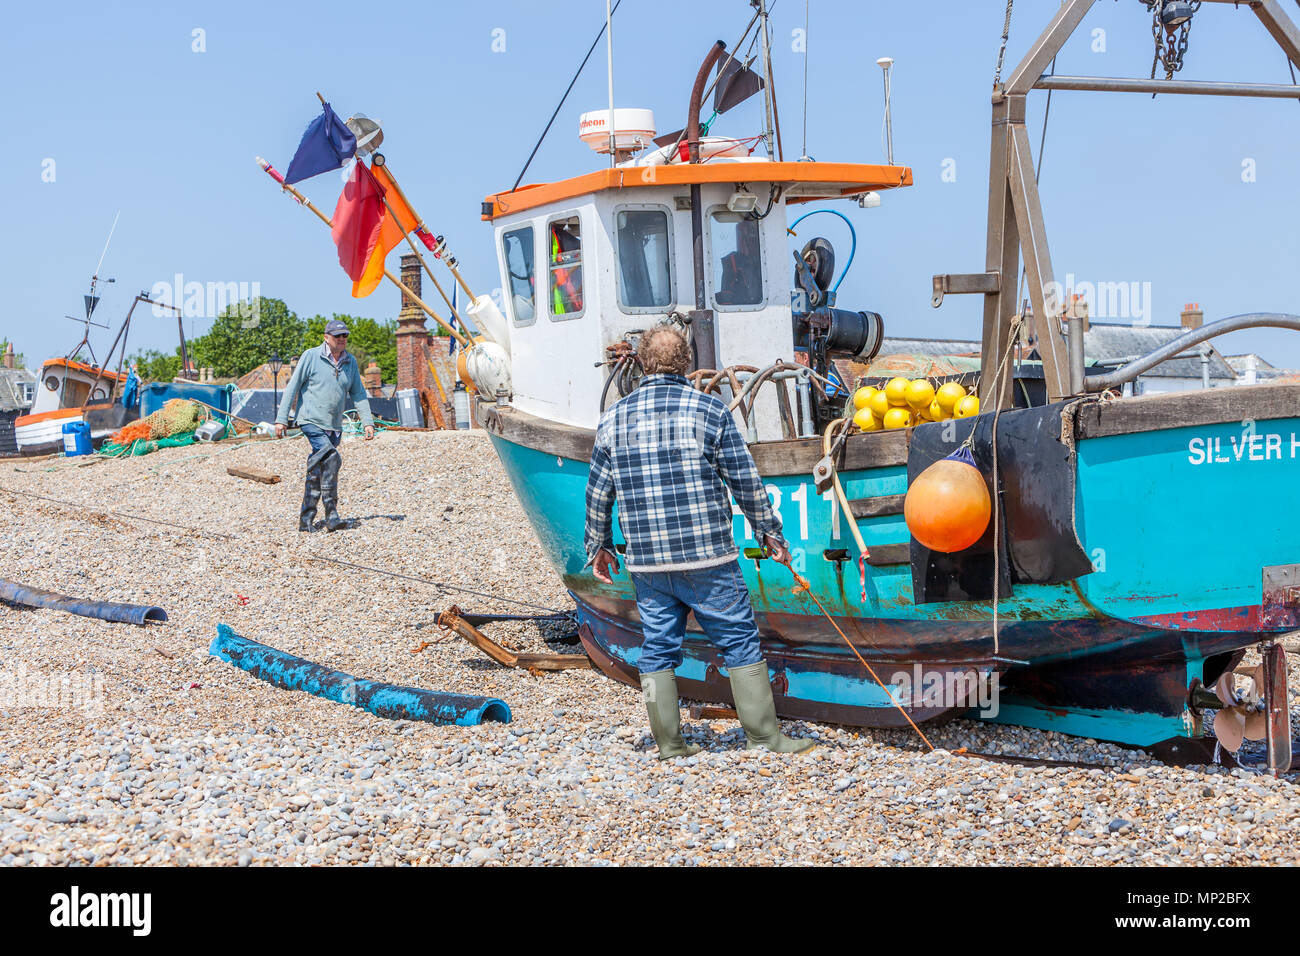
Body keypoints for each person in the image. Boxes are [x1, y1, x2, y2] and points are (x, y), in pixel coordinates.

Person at [584, 324, 815, 760]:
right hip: (709, 558)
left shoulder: (613, 419)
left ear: (642, 364)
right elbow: (745, 482)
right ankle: (764, 737)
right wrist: (770, 533)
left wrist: (598, 544)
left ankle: (670, 744)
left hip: (649, 565)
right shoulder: (710, 411)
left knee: (658, 647)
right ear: (686, 362)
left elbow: (598, 491)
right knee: (739, 641)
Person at [275, 319, 375, 532]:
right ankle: (331, 515)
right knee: (332, 457)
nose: (342, 339)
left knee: (320, 469)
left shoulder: (351, 362)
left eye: (345, 336)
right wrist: (282, 419)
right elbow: (292, 388)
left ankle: (306, 519)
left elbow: (357, 393)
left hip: (334, 425)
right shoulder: (311, 357)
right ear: (326, 337)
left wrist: (367, 422)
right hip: (310, 420)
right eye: (337, 336)